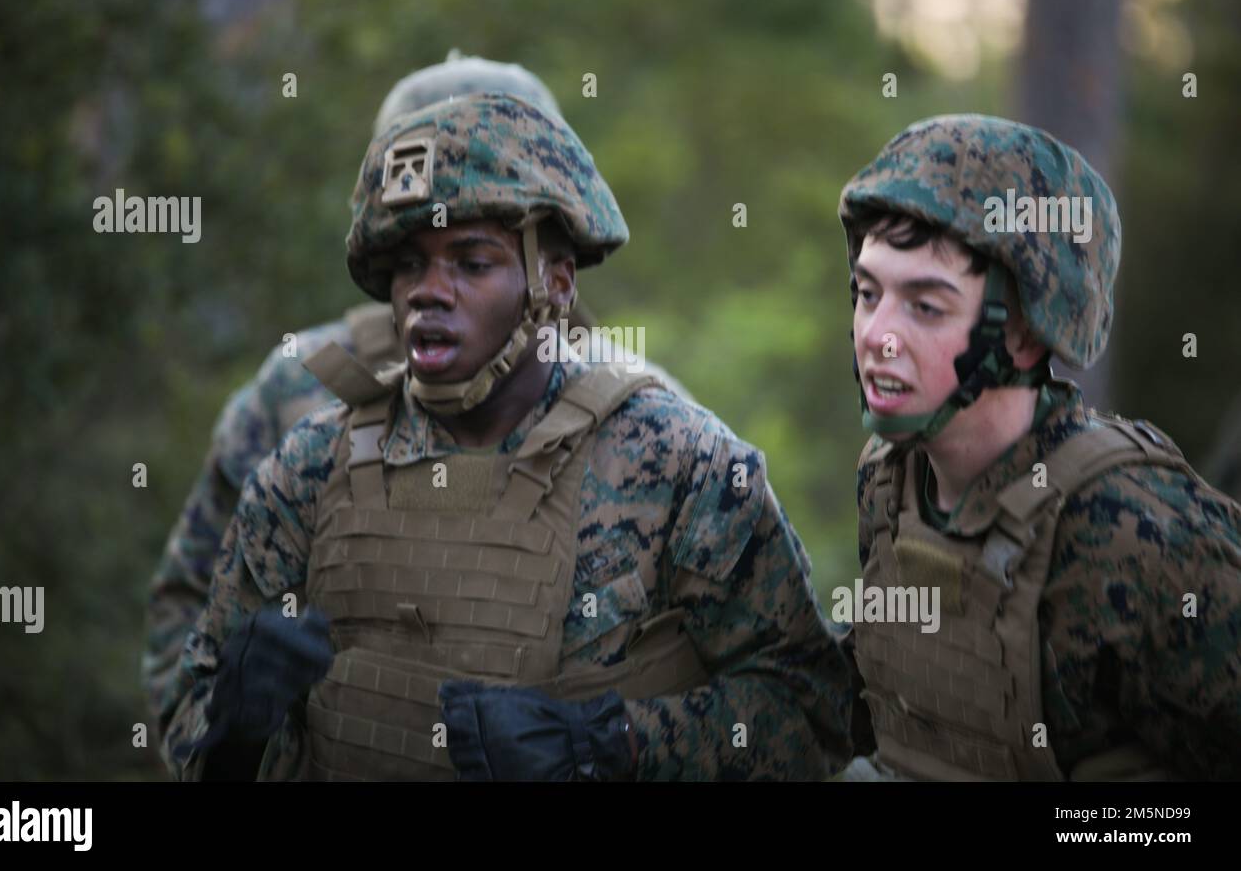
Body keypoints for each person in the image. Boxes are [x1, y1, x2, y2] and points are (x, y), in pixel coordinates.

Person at [162, 92, 850, 781]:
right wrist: (234, 731)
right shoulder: (309, 468)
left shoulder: (678, 465)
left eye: (471, 262)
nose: (429, 292)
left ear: (553, 282)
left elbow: (813, 711)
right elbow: (189, 712)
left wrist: (612, 744)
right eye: (409, 264)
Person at [141, 55, 688, 764]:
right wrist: (226, 742)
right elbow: (188, 615)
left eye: (476, 248)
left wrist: (605, 744)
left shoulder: (646, 414)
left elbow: (747, 675)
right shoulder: (301, 389)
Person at [839, 114, 1241, 780]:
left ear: (1023, 335)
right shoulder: (890, 481)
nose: (876, 335)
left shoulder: (1135, 535)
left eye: (925, 307)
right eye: (867, 293)